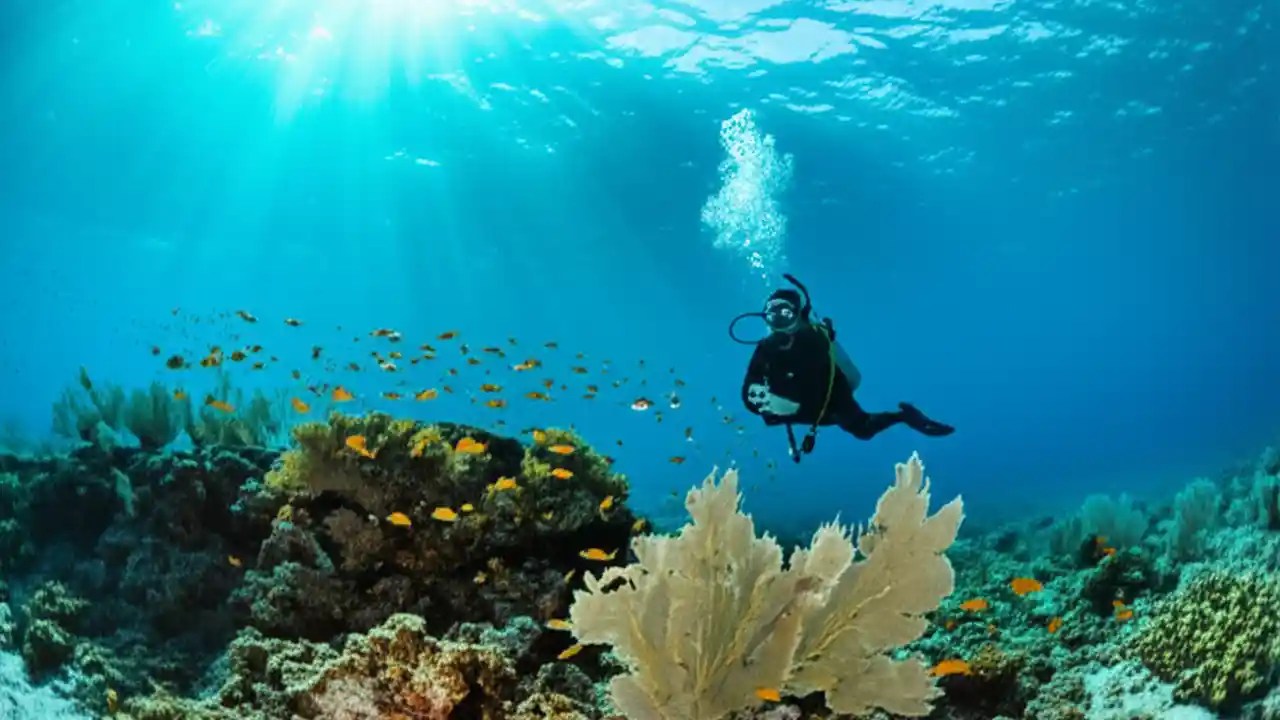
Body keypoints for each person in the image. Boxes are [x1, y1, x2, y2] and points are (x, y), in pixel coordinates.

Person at [731, 275, 953, 462]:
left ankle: (904, 416)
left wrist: (786, 404)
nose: (780, 322)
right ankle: (901, 416)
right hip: (795, 409)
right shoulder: (765, 349)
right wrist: (766, 402)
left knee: (863, 430)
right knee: (772, 415)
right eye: (773, 316)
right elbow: (749, 389)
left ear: (799, 315)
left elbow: (816, 383)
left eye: (786, 315)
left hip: (828, 400)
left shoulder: (816, 339)